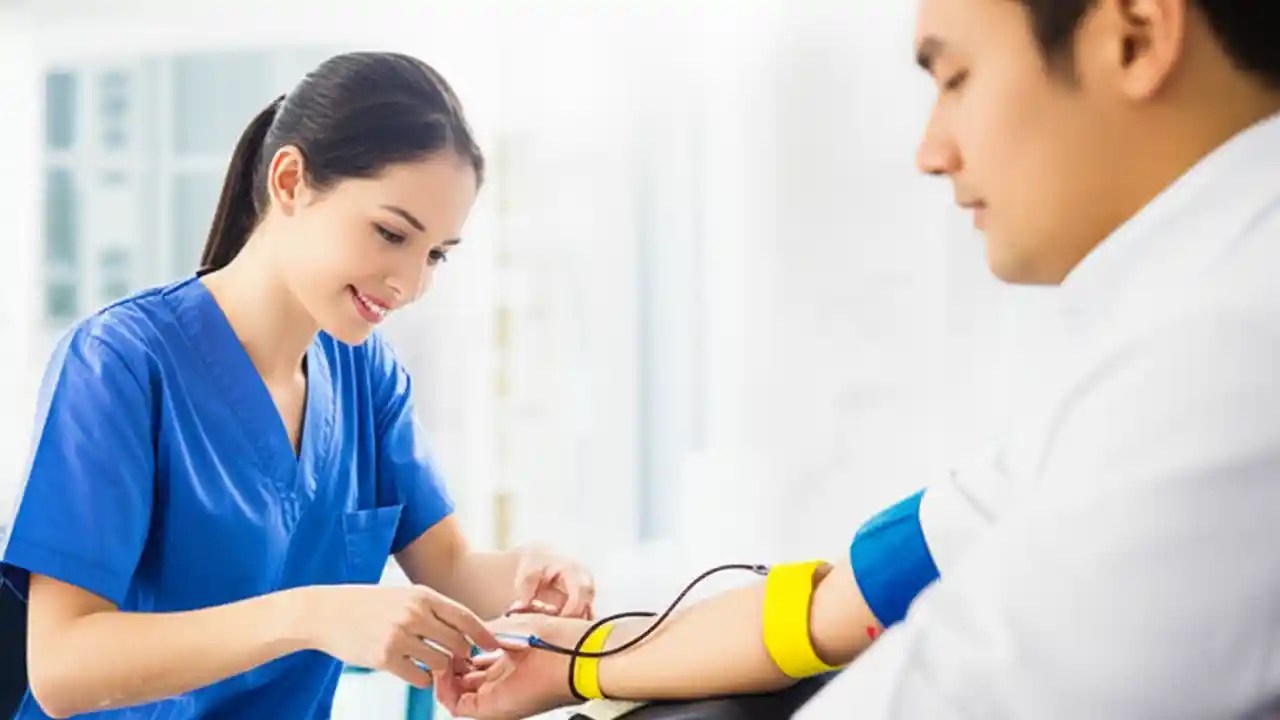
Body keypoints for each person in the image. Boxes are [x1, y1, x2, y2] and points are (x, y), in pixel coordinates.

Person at [431, 1, 1280, 717]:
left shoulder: (1230, 360)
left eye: (955, 79)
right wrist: (578, 659)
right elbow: (852, 593)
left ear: (1134, 36)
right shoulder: (1164, 336)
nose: (931, 150)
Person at [0, 51, 595, 719]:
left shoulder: (368, 380)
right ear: (290, 181)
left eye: (434, 255)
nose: (410, 284)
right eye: (390, 233)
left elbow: (452, 568)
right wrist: (313, 614)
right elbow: (61, 667)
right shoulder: (120, 362)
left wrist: (524, 572)